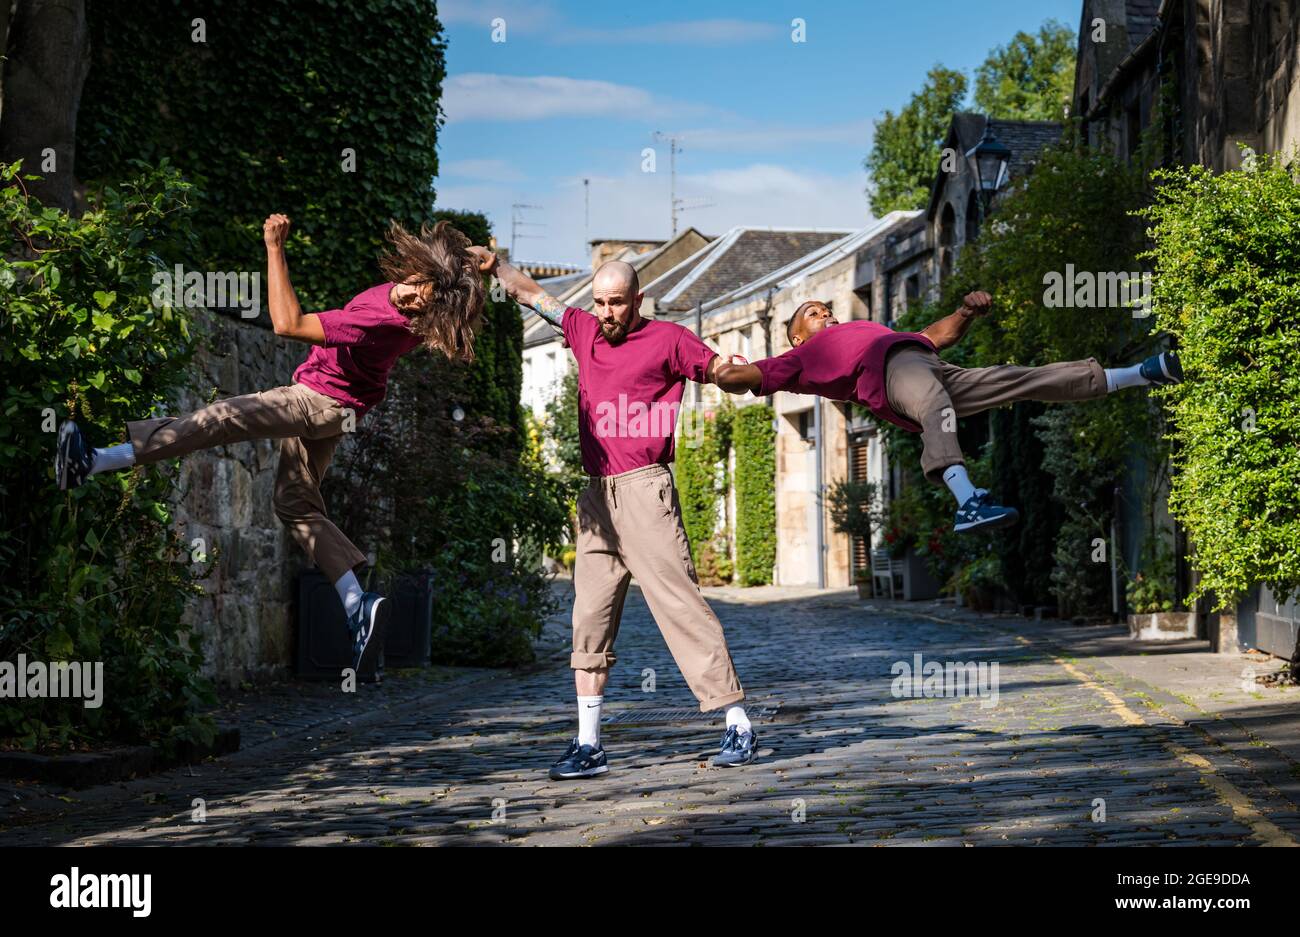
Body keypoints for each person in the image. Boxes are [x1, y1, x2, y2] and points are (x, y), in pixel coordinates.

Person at [55, 214, 486, 673]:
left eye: (424, 294)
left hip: (317, 401)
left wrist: (275, 246)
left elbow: (287, 323)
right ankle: (356, 602)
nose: (411, 291)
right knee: (295, 503)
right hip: (344, 411)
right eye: (421, 280)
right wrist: (482, 262)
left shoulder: (377, 320)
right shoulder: (421, 294)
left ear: (432, 298)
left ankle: (94, 460)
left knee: (221, 418)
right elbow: (465, 264)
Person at [473, 247, 758, 778]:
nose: (607, 312)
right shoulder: (583, 330)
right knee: (589, 618)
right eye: (600, 302)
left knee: (679, 606)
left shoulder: (669, 339)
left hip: (645, 489)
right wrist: (497, 269)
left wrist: (738, 371)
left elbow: (715, 367)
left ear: (638, 300)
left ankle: (737, 722)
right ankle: (589, 744)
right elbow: (532, 294)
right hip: (596, 497)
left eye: (617, 303)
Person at [712, 292, 1183, 530]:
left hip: (930, 364)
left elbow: (936, 336)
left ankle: (1140, 372)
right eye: (814, 313)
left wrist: (965, 311)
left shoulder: (869, 327)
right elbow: (742, 379)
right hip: (894, 375)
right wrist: (718, 367)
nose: (828, 315)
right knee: (934, 404)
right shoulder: (798, 358)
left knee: (1017, 378)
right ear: (797, 336)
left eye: (827, 310)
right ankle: (968, 501)